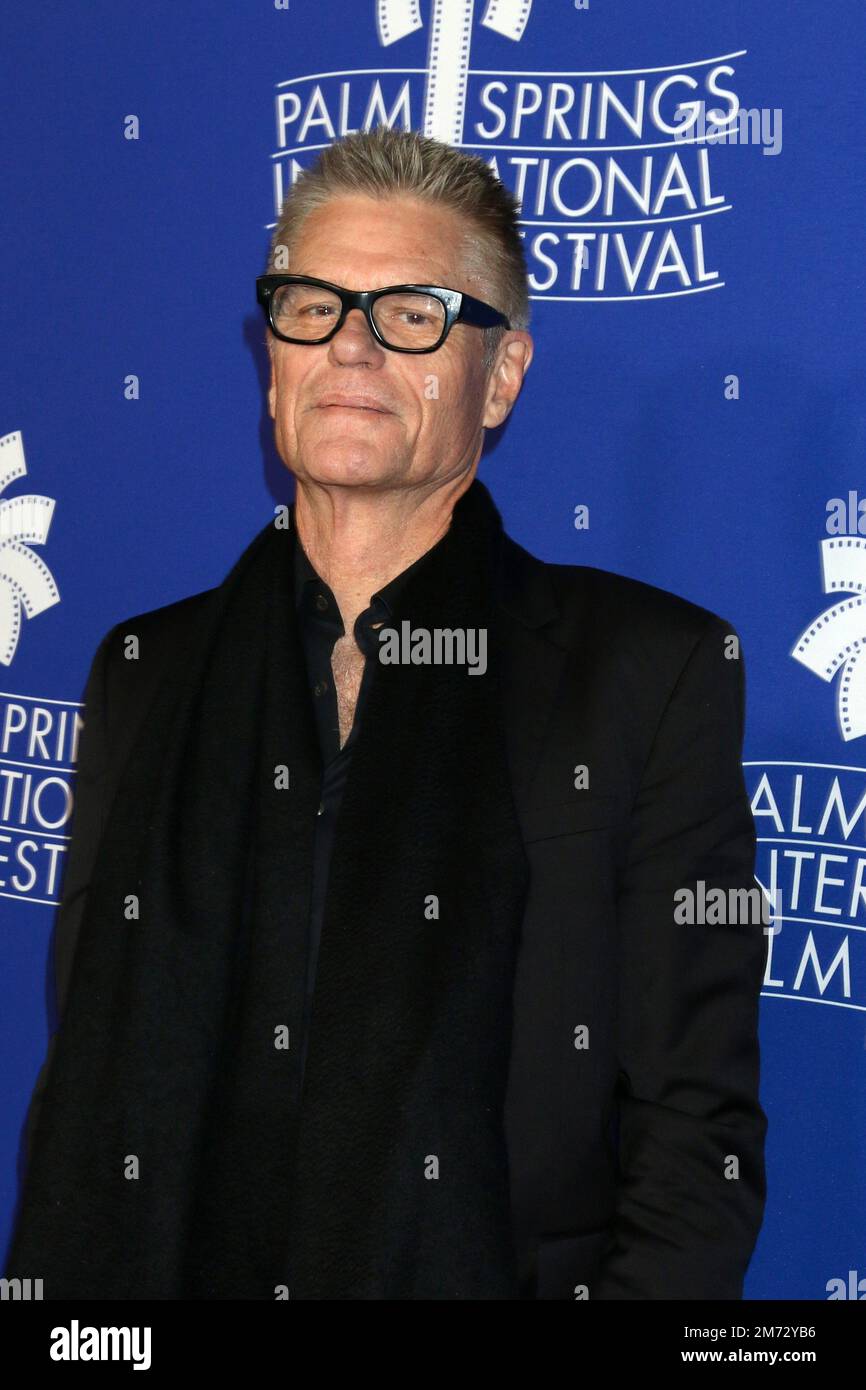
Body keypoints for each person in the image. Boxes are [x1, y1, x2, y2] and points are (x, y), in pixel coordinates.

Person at [6, 126, 767, 1300]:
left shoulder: (645, 672)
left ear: (499, 373)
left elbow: (692, 1131)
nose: (349, 346)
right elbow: (90, 1069)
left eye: (411, 312)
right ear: (271, 358)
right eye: (311, 305)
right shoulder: (148, 670)